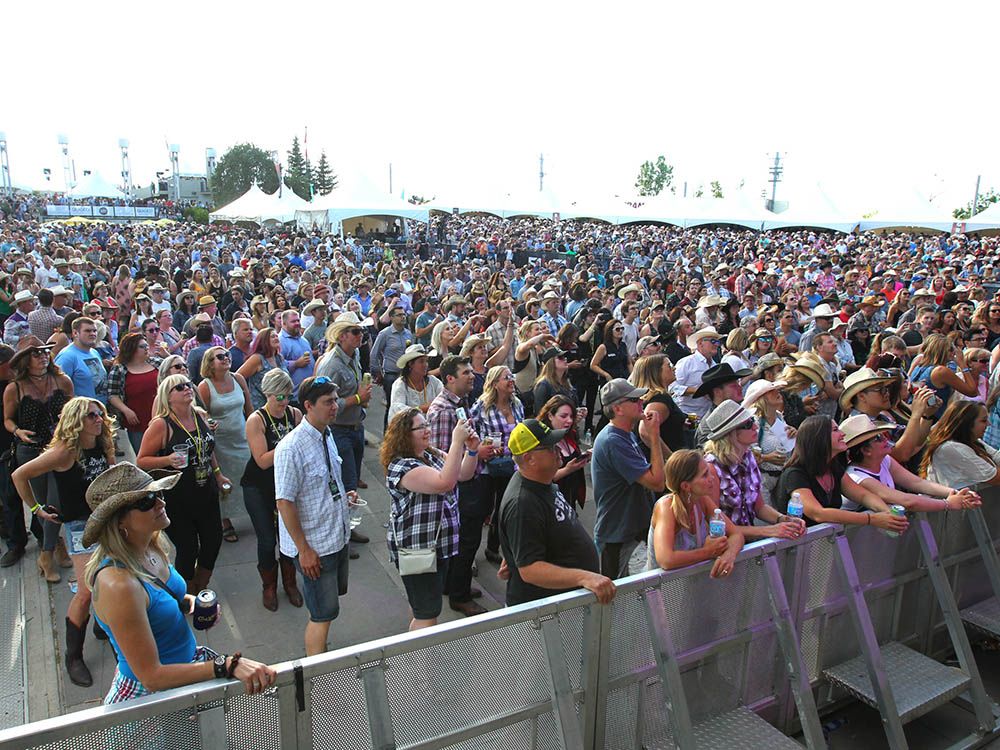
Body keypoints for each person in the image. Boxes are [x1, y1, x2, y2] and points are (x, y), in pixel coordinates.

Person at [82, 463, 275, 703]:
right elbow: (152, 677)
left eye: (159, 494)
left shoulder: (150, 545)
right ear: (119, 521)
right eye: (146, 501)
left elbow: (163, 599)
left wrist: (190, 603)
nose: (160, 503)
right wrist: (226, 665)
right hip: (151, 702)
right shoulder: (119, 585)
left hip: (183, 676)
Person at [13, 397, 115, 687]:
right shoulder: (64, 452)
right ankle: (73, 656)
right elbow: (20, 475)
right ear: (76, 422)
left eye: (100, 414)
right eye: (91, 416)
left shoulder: (101, 441)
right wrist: (37, 510)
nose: (99, 419)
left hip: (107, 521)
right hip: (80, 527)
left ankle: (101, 627)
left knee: (111, 577)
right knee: (84, 591)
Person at [275, 376, 354, 656]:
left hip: (336, 536)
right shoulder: (290, 448)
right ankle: (316, 671)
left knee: (329, 609)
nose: (335, 407)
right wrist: (304, 550)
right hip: (315, 548)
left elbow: (325, 480)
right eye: (328, 402)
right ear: (308, 406)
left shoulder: (326, 433)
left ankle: (319, 652)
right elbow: (284, 502)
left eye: (335, 400)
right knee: (321, 613)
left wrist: (344, 497)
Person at [498, 419, 614, 607]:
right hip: (543, 616)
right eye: (550, 447)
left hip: (561, 607)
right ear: (529, 459)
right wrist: (584, 577)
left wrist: (516, 548)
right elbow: (530, 570)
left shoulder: (540, 480)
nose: (558, 450)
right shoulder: (522, 503)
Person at [382, 407, 478, 630]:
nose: (427, 430)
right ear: (405, 434)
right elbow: (445, 482)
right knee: (428, 613)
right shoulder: (402, 466)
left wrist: (471, 451)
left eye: (427, 424)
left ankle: (418, 650)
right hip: (417, 549)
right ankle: (421, 661)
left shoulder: (429, 453)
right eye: (421, 427)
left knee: (424, 607)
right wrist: (456, 442)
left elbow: (462, 474)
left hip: (436, 546)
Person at [137, 375, 229, 591]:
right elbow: (141, 460)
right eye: (179, 387)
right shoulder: (161, 425)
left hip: (206, 491)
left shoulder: (200, 416)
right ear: (168, 397)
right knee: (187, 548)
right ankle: (186, 591)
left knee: (213, 541)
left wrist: (218, 474)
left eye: (188, 385)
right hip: (178, 497)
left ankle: (200, 584)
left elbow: (207, 449)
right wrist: (167, 460)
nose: (187, 388)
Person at [3, 337, 74, 582]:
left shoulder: (62, 380)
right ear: (24, 360)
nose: (43, 356)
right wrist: (17, 431)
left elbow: (73, 412)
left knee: (56, 504)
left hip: (58, 449)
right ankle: (56, 545)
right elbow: (8, 419)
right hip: (30, 451)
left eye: (45, 352)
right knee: (42, 506)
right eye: (36, 353)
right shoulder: (15, 388)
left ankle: (46, 554)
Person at [427, 355, 492, 616]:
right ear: (450, 379)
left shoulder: (459, 402)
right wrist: (475, 455)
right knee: (465, 542)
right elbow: (443, 456)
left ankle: (453, 584)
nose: (472, 376)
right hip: (458, 488)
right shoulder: (444, 411)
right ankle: (460, 595)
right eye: (466, 373)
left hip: (466, 479)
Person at [774, 415, 910, 532]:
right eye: (835, 430)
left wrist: (887, 513)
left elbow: (863, 496)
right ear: (819, 438)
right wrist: (872, 519)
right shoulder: (795, 474)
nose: (843, 434)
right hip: (795, 552)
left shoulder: (833, 467)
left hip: (824, 545)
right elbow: (818, 513)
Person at [241, 369, 303, 612]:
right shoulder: (257, 419)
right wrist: (289, 446)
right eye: (279, 396)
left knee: (287, 537)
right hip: (259, 485)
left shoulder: (295, 414)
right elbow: (262, 460)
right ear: (267, 394)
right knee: (267, 539)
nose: (284, 401)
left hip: (285, 483)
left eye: (288, 395)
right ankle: (269, 585)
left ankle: (290, 582)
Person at [591, 378, 664, 578]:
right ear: (618, 409)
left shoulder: (625, 434)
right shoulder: (613, 440)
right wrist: (654, 436)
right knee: (625, 602)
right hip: (620, 537)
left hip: (630, 532)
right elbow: (657, 482)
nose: (641, 402)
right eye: (634, 400)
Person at [702, 400, 805, 540]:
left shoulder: (748, 457)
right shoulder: (711, 468)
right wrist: (769, 531)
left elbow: (759, 507)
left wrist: (783, 520)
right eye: (748, 424)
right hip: (724, 547)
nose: (756, 426)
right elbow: (714, 524)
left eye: (752, 421)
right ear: (731, 434)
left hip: (746, 544)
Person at [841, 414, 980, 513]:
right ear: (865, 450)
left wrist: (955, 493)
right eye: (878, 438)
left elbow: (917, 483)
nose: (884, 439)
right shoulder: (857, 477)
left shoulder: (884, 460)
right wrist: (948, 504)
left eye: (882, 434)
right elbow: (907, 501)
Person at [647, 449, 744, 576]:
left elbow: (736, 534)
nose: (712, 478)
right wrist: (709, 552)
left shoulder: (702, 499)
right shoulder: (666, 507)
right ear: (686, 486)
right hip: (661, 589)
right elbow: (666, 559)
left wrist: (728, 556)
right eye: (705, 475)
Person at [470, 365, 525, 563]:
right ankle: (470, 556)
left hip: (512, 465)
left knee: (504, 509)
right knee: (481, 510)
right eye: (506, 378)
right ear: (494, 384)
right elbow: (470, 432)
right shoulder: (482, 406)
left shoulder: (517, 404)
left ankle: (493, 547)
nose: (511, 380)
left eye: (511, 376)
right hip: (487, 466)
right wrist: (483, 447)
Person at [197, 346, 252, 544]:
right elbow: (201, 415)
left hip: (242, 437)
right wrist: (209, 422)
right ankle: (225, 521)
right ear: (210, 363)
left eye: (227, 355)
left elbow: (249, 407)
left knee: (248, 476)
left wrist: (255, 429)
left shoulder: (238, 379)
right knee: (224, 480)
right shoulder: (205, 386)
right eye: (219, 357)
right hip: (220, 443)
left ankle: (255, 511)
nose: (226, 358)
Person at [316, 315, 373, 498]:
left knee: (353, 475)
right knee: (347, 483)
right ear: (341, 336)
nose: (361, 335)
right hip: (339, 429)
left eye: (361, 331)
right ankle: (346, 522)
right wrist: (358, 398)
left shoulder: (354, 353)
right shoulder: (331, 364)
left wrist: (361, 396)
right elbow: (324, 404)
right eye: (356, 331)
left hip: (357, 426)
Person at [742, 378, 796, 506]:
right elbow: (744, 453)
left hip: (782, 479)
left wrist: (795, 433)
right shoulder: (753, 422)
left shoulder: (779, 417)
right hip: (761, 482)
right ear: (762, 398)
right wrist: (766, 458)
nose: (777, 392)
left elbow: (787, 444)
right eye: (771, 391)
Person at [922, 400, 1000, 488]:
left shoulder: (973, 440)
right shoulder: (952, 447)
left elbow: (997, 457)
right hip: (942, 500)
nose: (989, 424)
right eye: (983, 420)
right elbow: (996, 478)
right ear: (967, 423)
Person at [107, 332, 159, 453]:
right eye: (142, 346)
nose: (146, 348)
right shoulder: (119, 369)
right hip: (136, 421)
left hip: (159, 417)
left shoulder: (157, 363)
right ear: (131, 348)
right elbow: (112, 395)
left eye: (146, 346)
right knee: (144, 455)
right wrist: (126, 410)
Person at [537, 394, 590, 510]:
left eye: (571, 416)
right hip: (552, 503)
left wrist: (585, 457)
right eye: (564, 416)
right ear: (550, 415)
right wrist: (568, 470)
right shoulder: (541, 441)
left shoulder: (570, 434)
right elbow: (544, 477)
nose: (569, 420)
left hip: (570, 499)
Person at [909, 334, 979, 419]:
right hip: (935, 418)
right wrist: (962, 364)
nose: (954, 352)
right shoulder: (940, 371)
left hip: (918, 415)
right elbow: (972, 391)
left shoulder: (919, 366)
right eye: (951, 349)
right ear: (942, 351)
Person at [630, 353, 686, 453]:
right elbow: (645, 431)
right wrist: (669, 457)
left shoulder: (651, 396)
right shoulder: (660, 398)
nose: (674, 368)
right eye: (669, 366)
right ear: (656, 372)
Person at [370, 303, 413, 428]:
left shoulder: (408, 334)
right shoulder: (385, 334)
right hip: (391, 376)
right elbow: (374, 354)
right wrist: (377, 373)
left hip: (407, 375)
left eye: (404, 314)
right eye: (399, 315)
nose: (403, 317)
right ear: (392, 318)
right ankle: (387, 436)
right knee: (392, 407)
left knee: (406, 407)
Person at [669, 327, 721, 420]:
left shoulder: (715, 366)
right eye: (713, 341)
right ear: (700, 343)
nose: (717, 345)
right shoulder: (686, 363)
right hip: (687, 416)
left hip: (708, 417)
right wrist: (697, 390)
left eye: (718, 342)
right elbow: (672, 387)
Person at [692, 362, 751, 444]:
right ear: (717, 392)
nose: (740, 387)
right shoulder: (708, 427)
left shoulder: (739, 412)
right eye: (734, 386)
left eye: (738, 383)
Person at [54, 316, 108, 404]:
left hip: (101, 410)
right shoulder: (67, 356)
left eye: (94, 331)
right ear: (75, 333)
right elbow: (59, 389)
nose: (92, 334)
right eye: (87, 331)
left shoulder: (94, 352)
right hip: (82, 413)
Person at [237, 326, 288, 410]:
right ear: (264, 341)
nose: (276, 338)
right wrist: (246, 396)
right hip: (260, 407)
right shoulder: (257, 359)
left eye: (276, 336)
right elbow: (238, 377)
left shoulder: (279, 358)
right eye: (272, 336)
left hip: (279, 405)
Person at [388, 344, 443, 419]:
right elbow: (398, 410)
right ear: (410, 364)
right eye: (421, 362)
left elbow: (444, 398)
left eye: (426, 361)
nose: (425, 365)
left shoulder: (433, 381)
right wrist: (422, 409)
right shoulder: (400, 385)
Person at [532, 347, 576, 415]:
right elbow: (539, 413)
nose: (565, 359)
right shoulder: (543, 385)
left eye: (565, 357)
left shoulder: (567, 382)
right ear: (551, 363)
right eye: (560, 357)